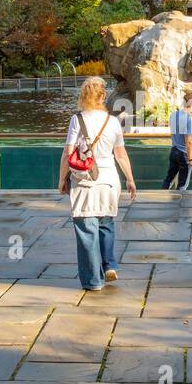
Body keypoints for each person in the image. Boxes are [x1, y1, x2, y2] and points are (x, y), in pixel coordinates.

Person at [58, 76, 137, 291]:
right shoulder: (112, 122)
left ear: (84, 95)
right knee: (106, 224)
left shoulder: (78, 120)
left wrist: (61, 178)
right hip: (109, 179)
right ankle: (109, 264)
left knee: (86, 229)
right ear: (103, 96)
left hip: (84, 180)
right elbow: (120, 154)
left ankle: (93, 281)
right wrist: (130, 179)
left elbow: (68, 152)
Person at [162, 93, 192, 191]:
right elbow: (188, 142)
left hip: (174, 150)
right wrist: (191, 160)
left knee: (168, 179)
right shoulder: (188, 119)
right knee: (182, 185)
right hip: (183, 154)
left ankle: (160, 199)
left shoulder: (173, 115)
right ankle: (179, 206)